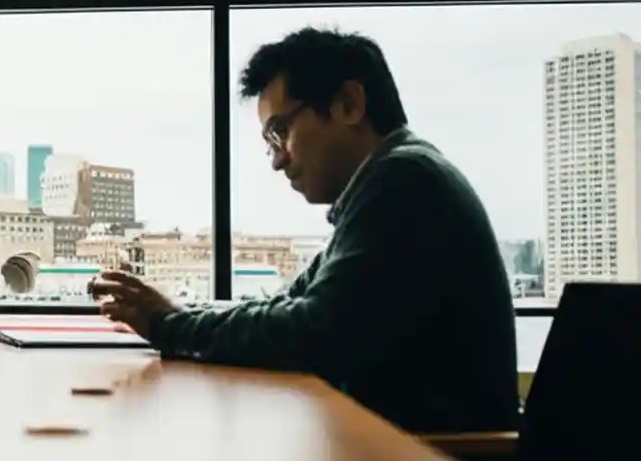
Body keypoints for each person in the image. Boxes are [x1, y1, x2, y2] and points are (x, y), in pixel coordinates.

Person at [89, 27, 519, 433]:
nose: (277, 161)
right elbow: (290, 303)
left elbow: (314, 331)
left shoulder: (405, 181)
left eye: (281, 132)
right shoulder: (386, 183)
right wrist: (179, 316)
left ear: (348, 104)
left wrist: (171, 326)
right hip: (398, 460)